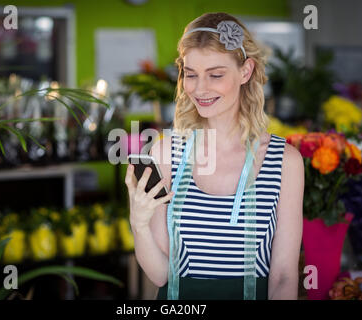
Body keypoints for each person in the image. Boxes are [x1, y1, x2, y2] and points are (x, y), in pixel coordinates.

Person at [125, 12, 304, 300]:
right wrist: (139, 224)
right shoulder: (166, 152)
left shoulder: (285, 161)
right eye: (191, 74)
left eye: (216, 75)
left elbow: (283, 276)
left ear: (246, 71)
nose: (200, 88)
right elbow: (160, 275)